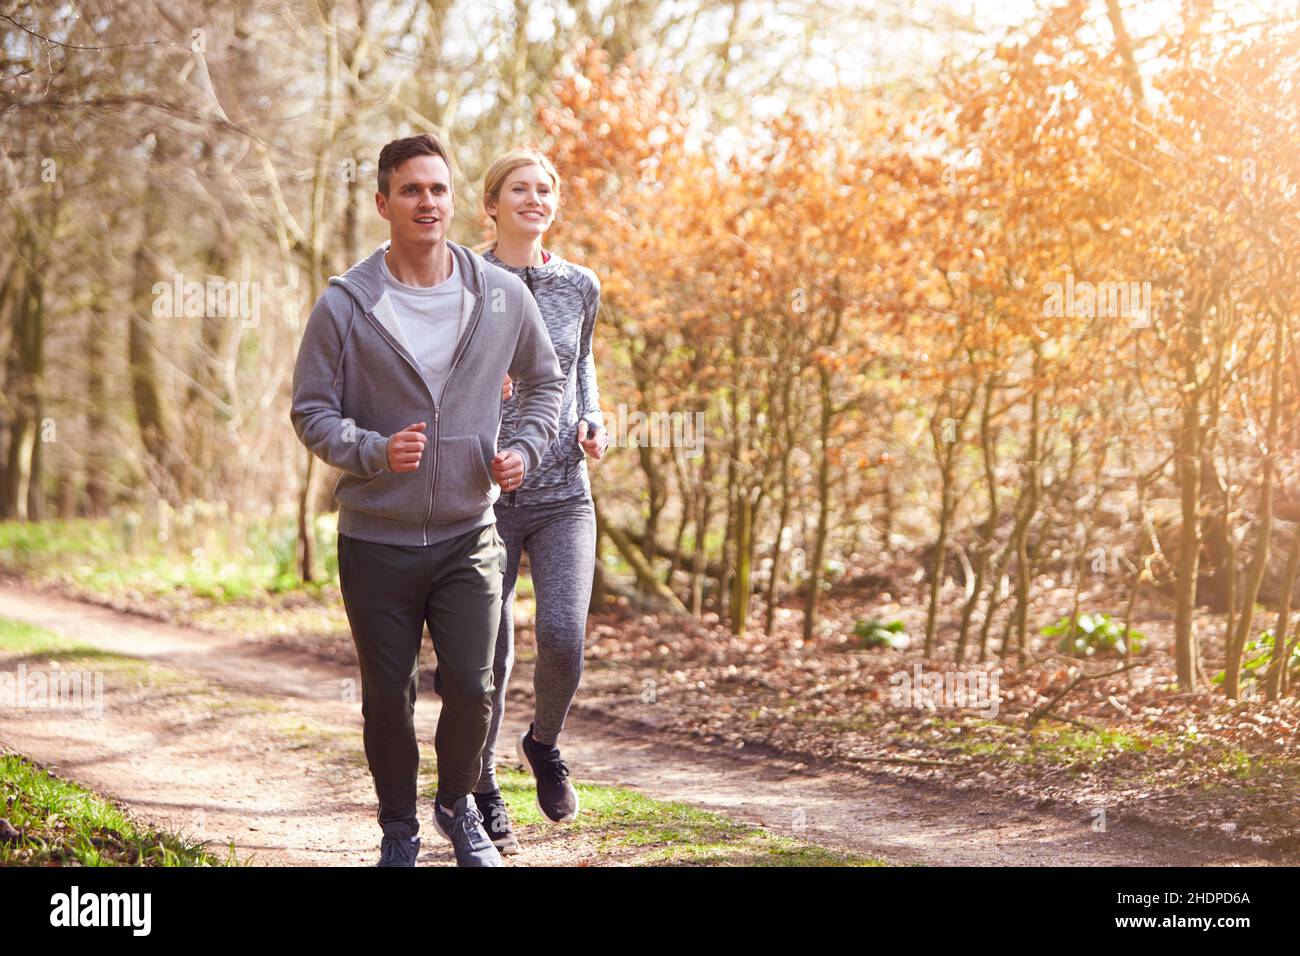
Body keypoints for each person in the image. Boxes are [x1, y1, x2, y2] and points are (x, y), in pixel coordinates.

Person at [289, 134, 564, 867]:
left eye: (438, 189)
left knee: (474, 687)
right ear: (384, 203)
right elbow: (310, 411)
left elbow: (547, 385)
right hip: (375, 538)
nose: (427, 202)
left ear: (453, 200)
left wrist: (525, 449)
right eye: (411, 190)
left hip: (468, 531)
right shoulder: (347, 305)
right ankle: (397, 830)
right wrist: (373, 450)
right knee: (388, 695)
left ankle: (456, 808)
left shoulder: (499, 295)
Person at [437, 147, 608, 855]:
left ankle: (543, 743)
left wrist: (595, 418)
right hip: (488, 494)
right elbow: (434, 368)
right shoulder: (465, 279)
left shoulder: (579, 284)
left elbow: (581, 362)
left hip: (566, 491)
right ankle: (480, 788)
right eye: (520, 189)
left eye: (545, 189)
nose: (535, 199)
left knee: (564, 638)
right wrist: (480, 387)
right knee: (490, 658)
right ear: (492, 203)